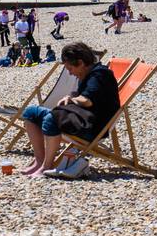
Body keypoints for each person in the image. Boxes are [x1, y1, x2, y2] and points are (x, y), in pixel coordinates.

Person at [18, 43, 118, 177]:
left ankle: (45, 167)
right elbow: (86, 95)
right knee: (30, 113)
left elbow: (88, 100)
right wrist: (72, 96)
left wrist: (73, 100)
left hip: (91, 127)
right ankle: (39, 161)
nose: (70, 72)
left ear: (81, 63)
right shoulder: (89, 74)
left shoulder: (99, 74)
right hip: (81, 118)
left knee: (51, 119)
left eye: (70, 68)